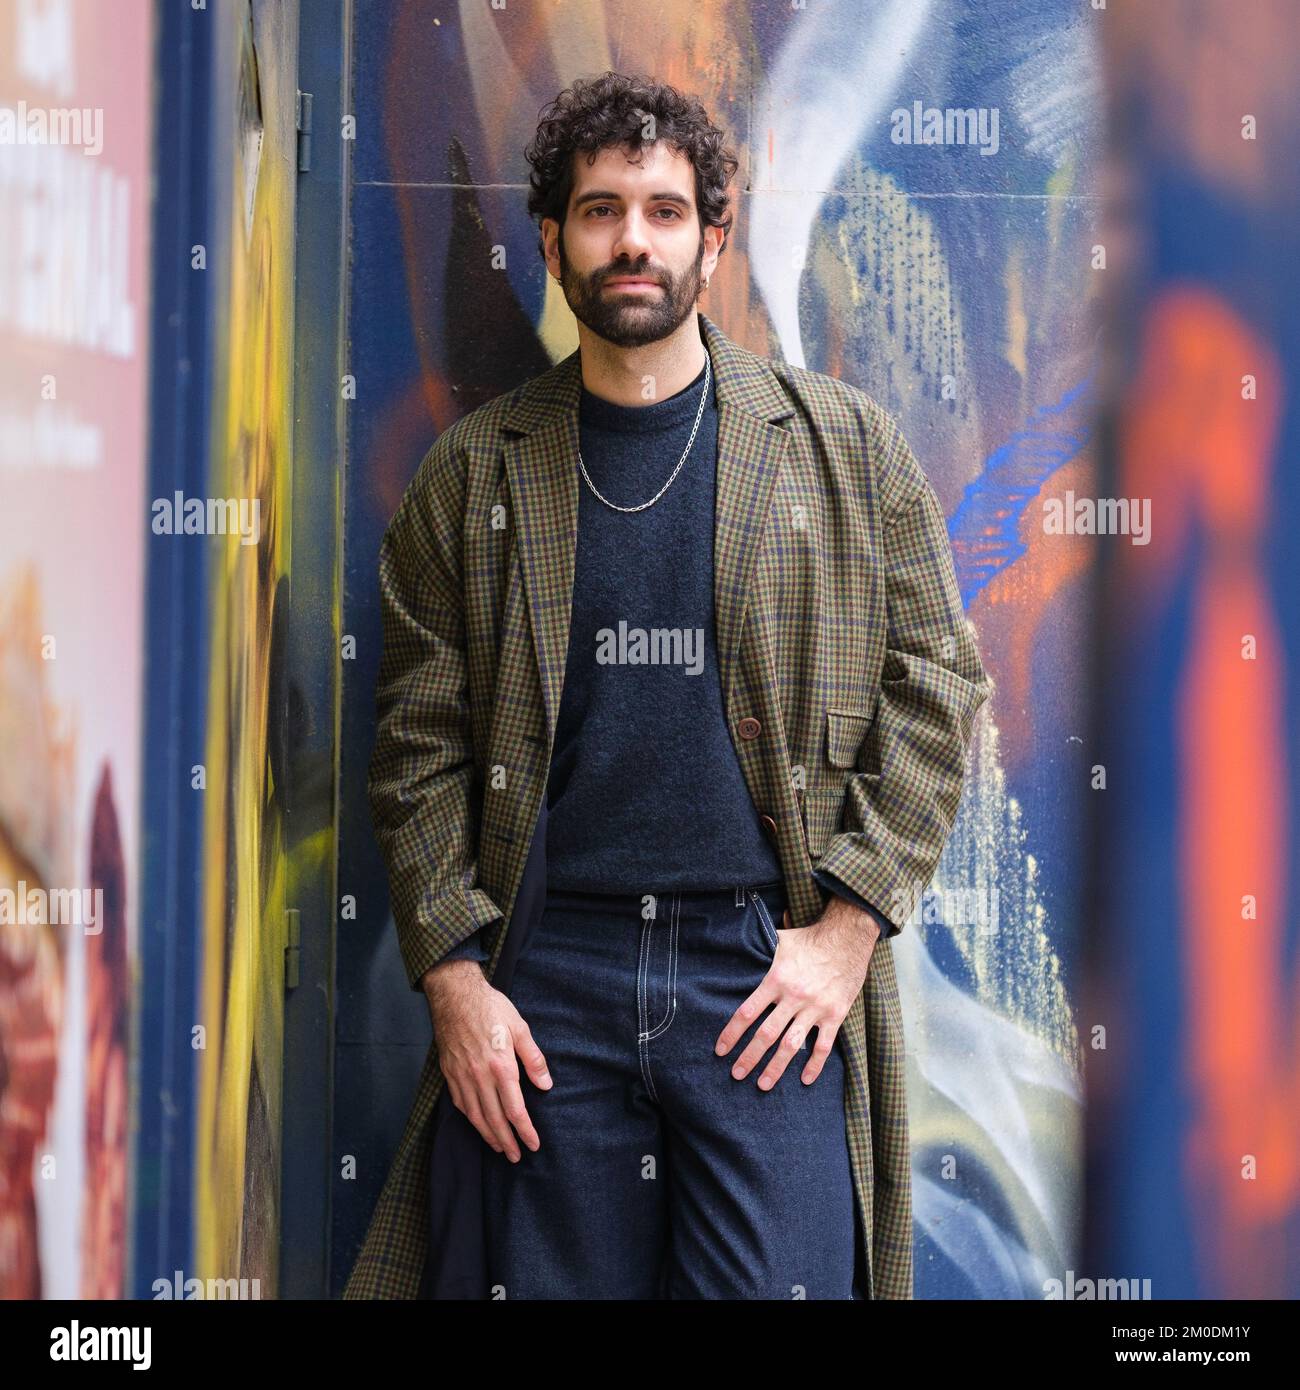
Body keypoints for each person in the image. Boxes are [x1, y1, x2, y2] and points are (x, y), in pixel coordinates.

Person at [346, 71, 991, 1301]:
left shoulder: (842, 449)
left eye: (661, 209)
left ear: (711, 238)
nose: (630, 239)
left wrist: (845, 931)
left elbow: (937, 687)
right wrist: (456, 978)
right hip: (551, 978)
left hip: (760, 969)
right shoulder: (470, 475)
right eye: (598, 211)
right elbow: (414, 744)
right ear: (551, 241)